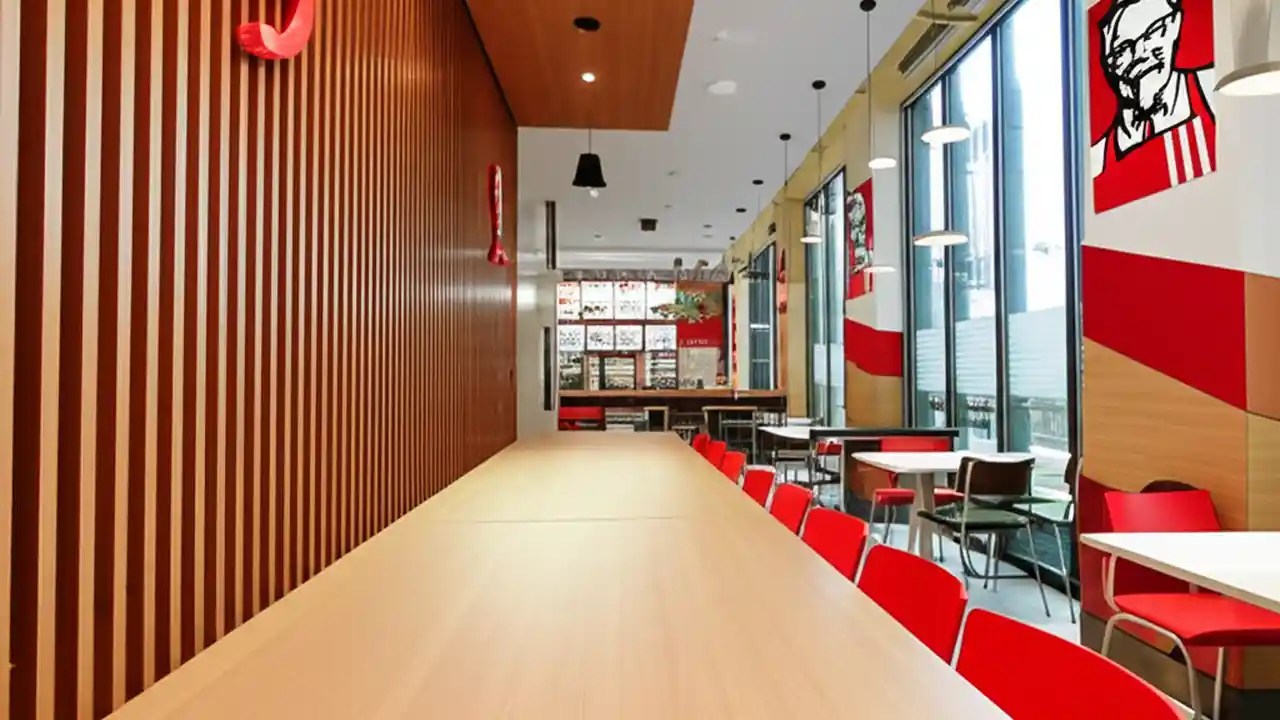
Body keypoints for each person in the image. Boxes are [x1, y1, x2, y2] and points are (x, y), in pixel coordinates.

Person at [1091, 0, 1216, 212]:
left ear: (1174, 25)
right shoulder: (1097, 162)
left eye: (1153, 32)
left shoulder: (1211, 92)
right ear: (1108, 65)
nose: (1141, 54)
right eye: (1123, 49)